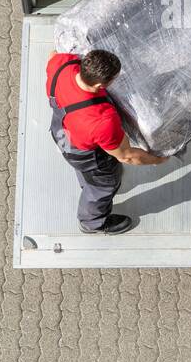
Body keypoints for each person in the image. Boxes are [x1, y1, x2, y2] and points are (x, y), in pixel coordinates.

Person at [46, 48, 167, 234]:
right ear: (101, 85)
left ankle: (87, 181)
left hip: (61, 131)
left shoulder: (62, 63)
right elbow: (127, 157)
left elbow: (52, 54)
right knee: (103, 185)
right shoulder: (103, 121)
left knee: (86, 172)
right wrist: (158, 159)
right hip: (82, 151)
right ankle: (92, 222)